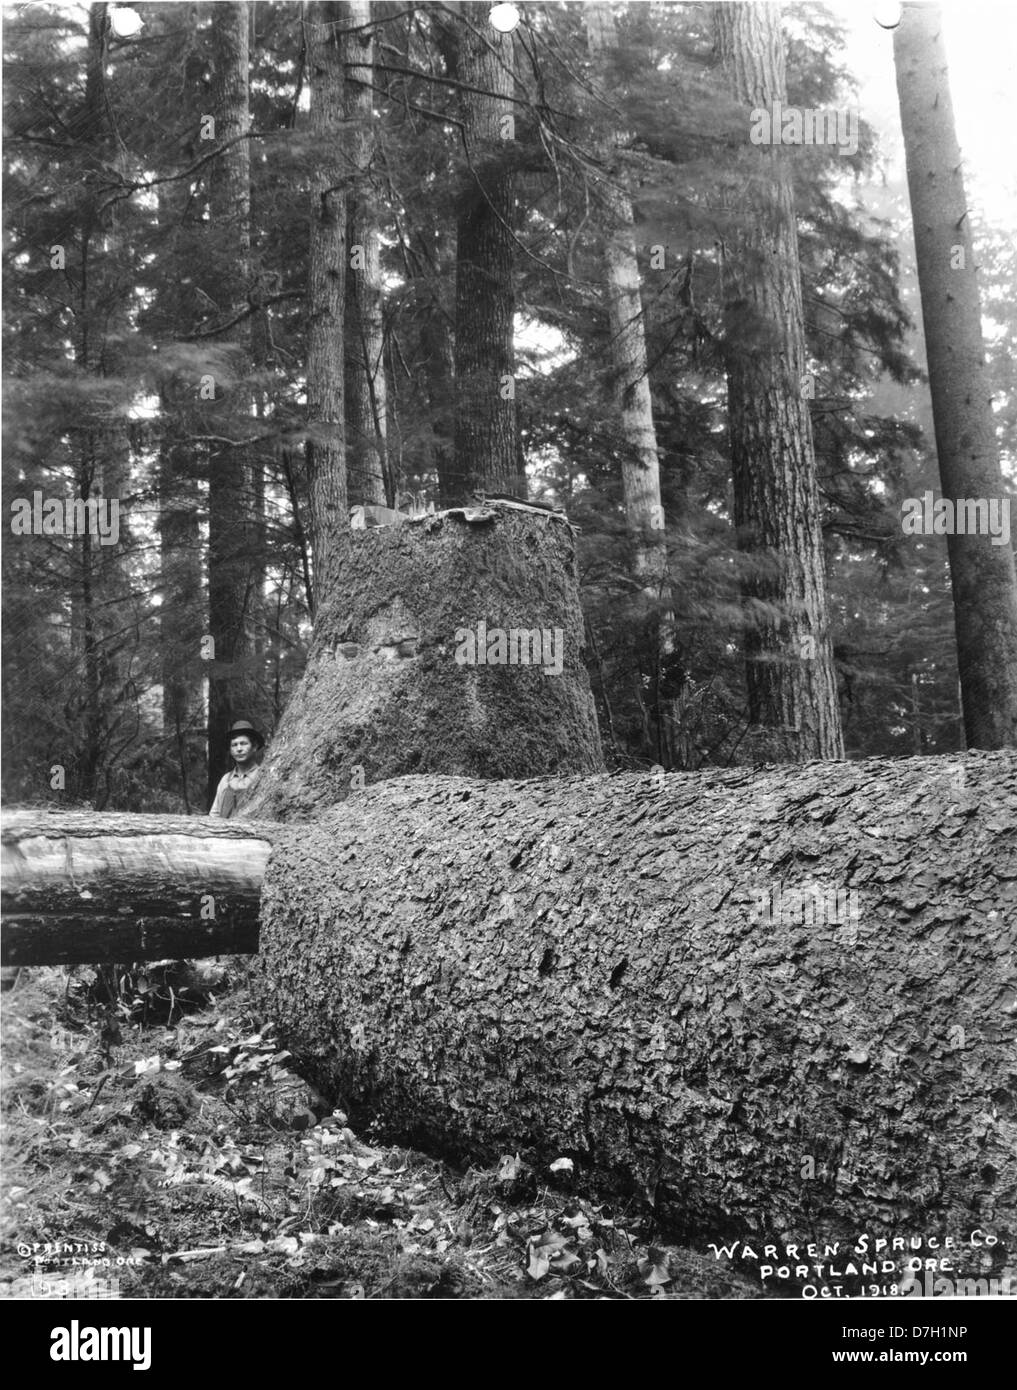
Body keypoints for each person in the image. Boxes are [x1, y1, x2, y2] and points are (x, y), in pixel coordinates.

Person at [208, 719, 265, 819]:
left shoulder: (262, 776)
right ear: (230, 750)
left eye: (243, 744)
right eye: (234, 745)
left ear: (254, 746)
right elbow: (214, 815)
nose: (239, 749)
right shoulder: (225, 780)